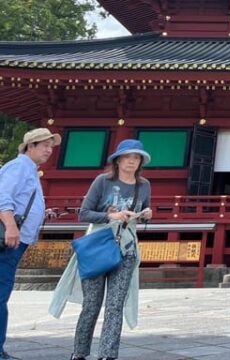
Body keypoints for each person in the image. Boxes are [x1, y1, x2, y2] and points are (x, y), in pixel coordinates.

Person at [51, 139, 153, 360]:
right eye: (127, 157)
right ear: (117, 160)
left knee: (115, 305)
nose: (131, 161)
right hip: (98, 247)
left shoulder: (143, 185)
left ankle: (108, 354)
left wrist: (146, 214)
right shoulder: (102, 181)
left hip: (126, 248)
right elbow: (84, 213)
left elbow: (143, 209)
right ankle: (79, 352)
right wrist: (111, 215)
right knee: (91, 304)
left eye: (136, 158)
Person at [0, 128, 61, 360]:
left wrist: (43, 213)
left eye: (51, 146)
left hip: (17, 238)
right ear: (30, 146)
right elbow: (2, 196)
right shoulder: (18, 167)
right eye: (44, 145)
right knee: (0, 292)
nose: (49, 150)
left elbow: (22, 201)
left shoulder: (30, 170)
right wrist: (10, 226)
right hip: (8, 239)